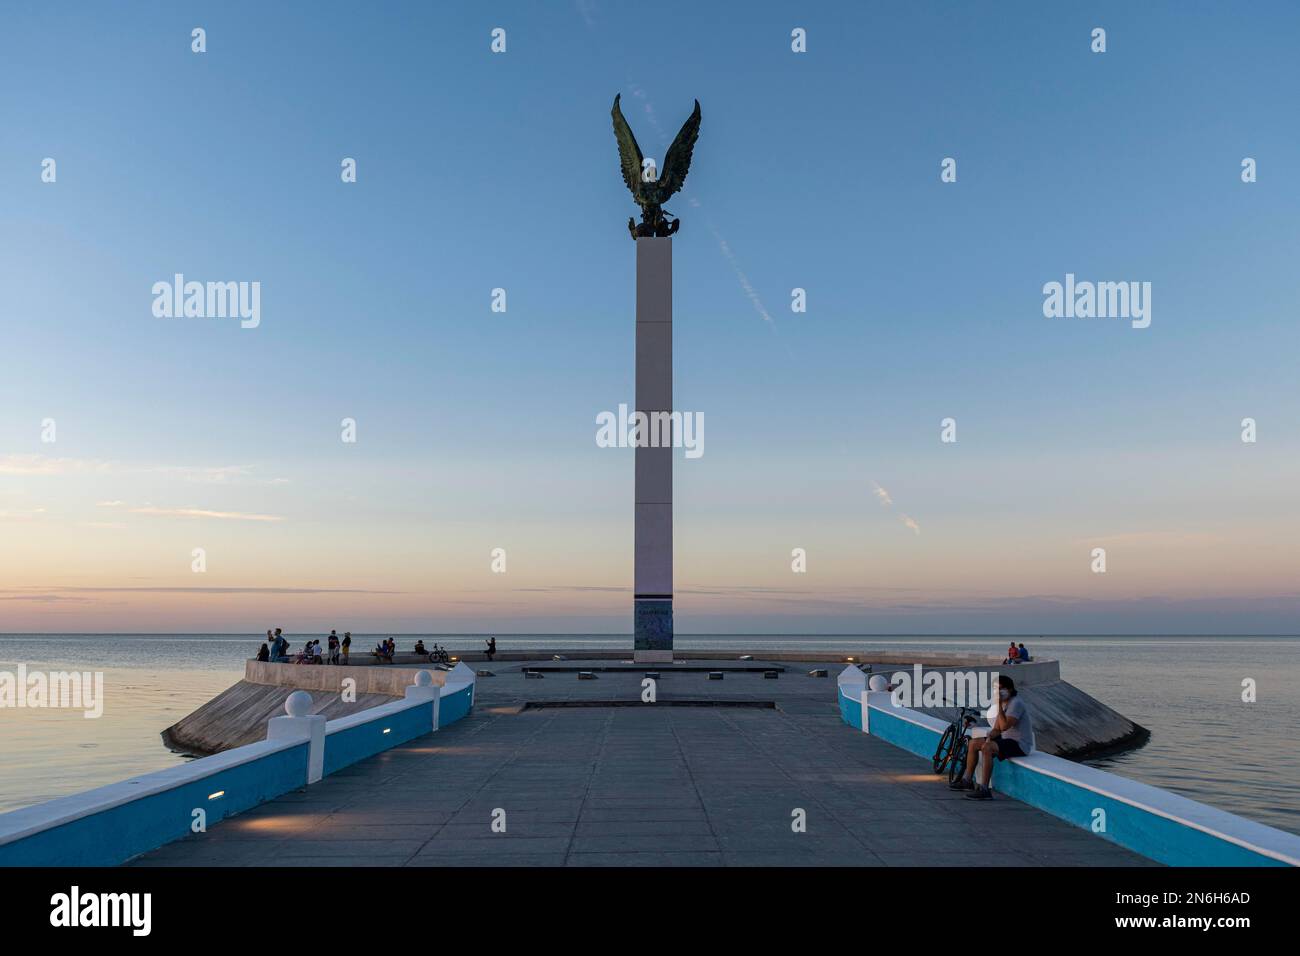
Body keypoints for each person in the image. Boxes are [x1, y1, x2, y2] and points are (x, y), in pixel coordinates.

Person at [949, 675, 1034, 799]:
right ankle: (967, 781)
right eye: (995, 688)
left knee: (987, 748)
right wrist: (989, 736)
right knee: (974, 743)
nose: (998, 692)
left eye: (1001, 688)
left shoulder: (1016, 703)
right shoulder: (1005, 703)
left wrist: (998, 705)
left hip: (1019, 744)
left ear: (1010, 689)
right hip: (1006, 739)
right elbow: (997, 729)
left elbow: (1004, 726)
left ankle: (984, 789)